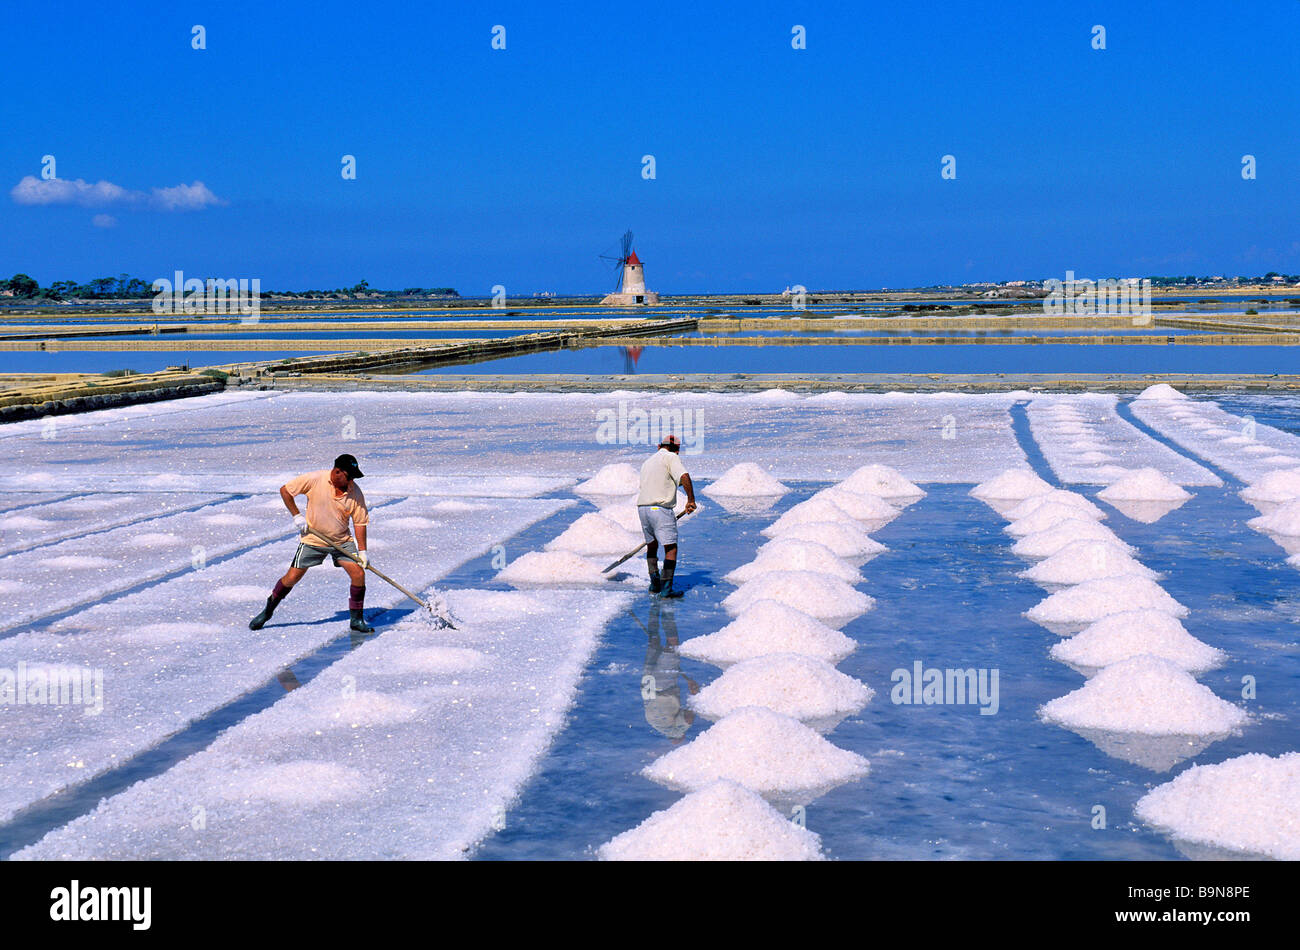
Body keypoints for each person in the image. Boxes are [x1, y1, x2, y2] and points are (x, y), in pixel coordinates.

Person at [249, 454, 374, 633]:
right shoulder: (315, 479)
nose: (351, 481)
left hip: (341, 541)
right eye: (349, 476)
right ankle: (268, 611)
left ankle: (356, 620)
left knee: (358, 574)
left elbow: (360, 522)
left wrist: (363, 551)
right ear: (337, 471)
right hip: (313, 540)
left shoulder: (355, 492)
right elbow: (285, 490)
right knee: (291, 578)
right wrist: (297, 516)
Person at [636, 434, 697, 598]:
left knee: (652, 545)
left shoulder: (647, 462)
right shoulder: (671, 458)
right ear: (677, 450)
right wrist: (691, 500)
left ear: (658, 446)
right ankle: (666, 589)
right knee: (670, 548)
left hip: (643, 508)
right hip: (660, 509)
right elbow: (684, 476)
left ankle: (654, 584)